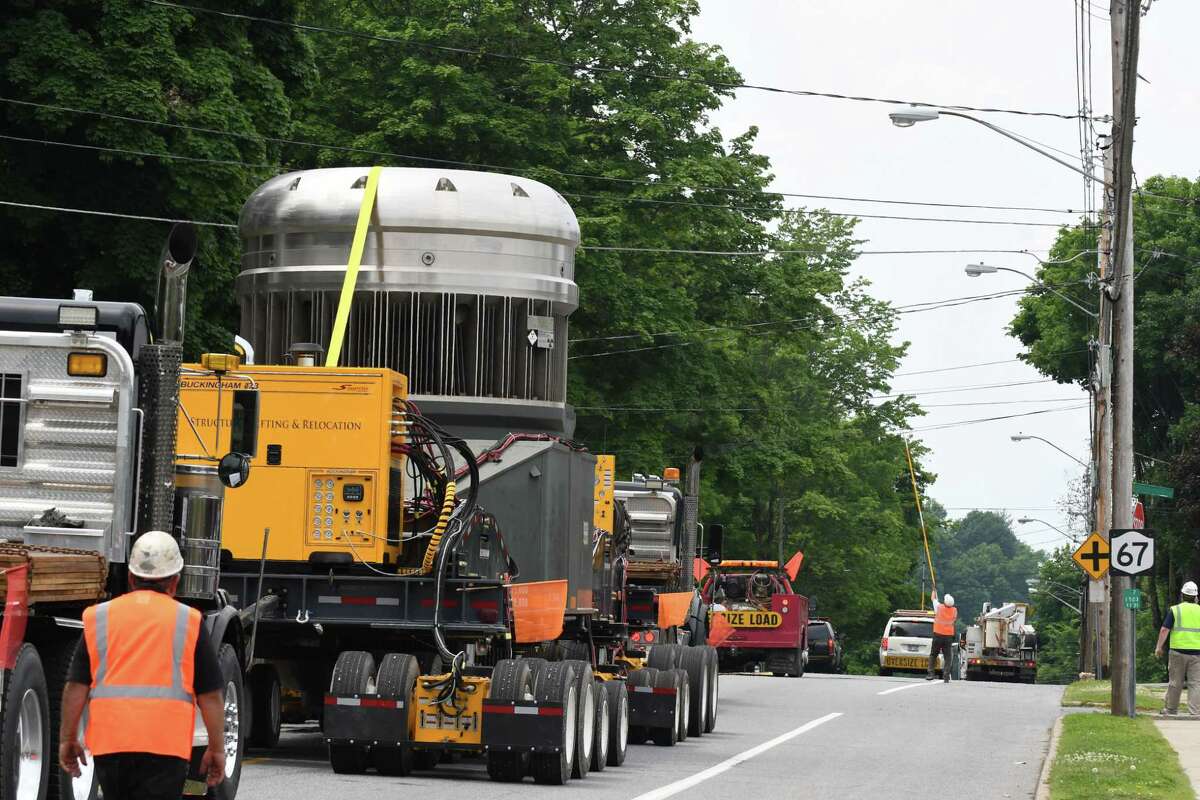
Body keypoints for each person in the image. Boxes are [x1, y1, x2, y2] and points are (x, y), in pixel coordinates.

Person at [58, 531, 228, 799]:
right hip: (166, 748)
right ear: (175, 581)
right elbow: (211, 696)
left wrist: (68, 739)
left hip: (111, 746)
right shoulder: (189, 621)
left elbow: (75, 687)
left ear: (130, 578)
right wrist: (217, 747)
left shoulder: (99, 618)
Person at [1155, 579, 1200, 716]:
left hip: (1177, 652)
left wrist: (1158, 647)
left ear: (1182, 595)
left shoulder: (1175, 610)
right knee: (1196, 683)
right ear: (1196, 597)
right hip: (1197, 653)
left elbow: (1164, 630)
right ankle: (1195, 711)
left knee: (1175, 682)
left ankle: (1171, 710)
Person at [928, 590, 957, 683]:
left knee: (933, 654)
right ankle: (946, 676)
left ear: (944, 601)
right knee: (948, 657)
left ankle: (931, 673)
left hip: (938, 635)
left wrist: (934, 591)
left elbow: (933, 599)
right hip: (948, 637)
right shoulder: (954, 611)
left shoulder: (939, 607)